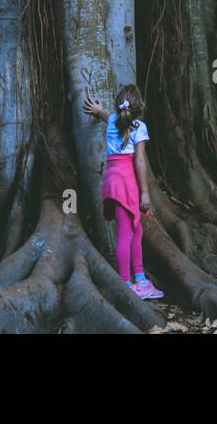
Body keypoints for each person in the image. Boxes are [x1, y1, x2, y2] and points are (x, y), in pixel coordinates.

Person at [83, 83, 164, 299]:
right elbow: (139, 161)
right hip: (127, 182)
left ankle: (139, 279)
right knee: (127, 233)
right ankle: (126, 285)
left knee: (134, 231)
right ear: (140, 108)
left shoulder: (111, 120)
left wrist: (99, 111)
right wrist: (145, 193)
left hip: (111, 180)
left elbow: (108, 116)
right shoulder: (140, 127)